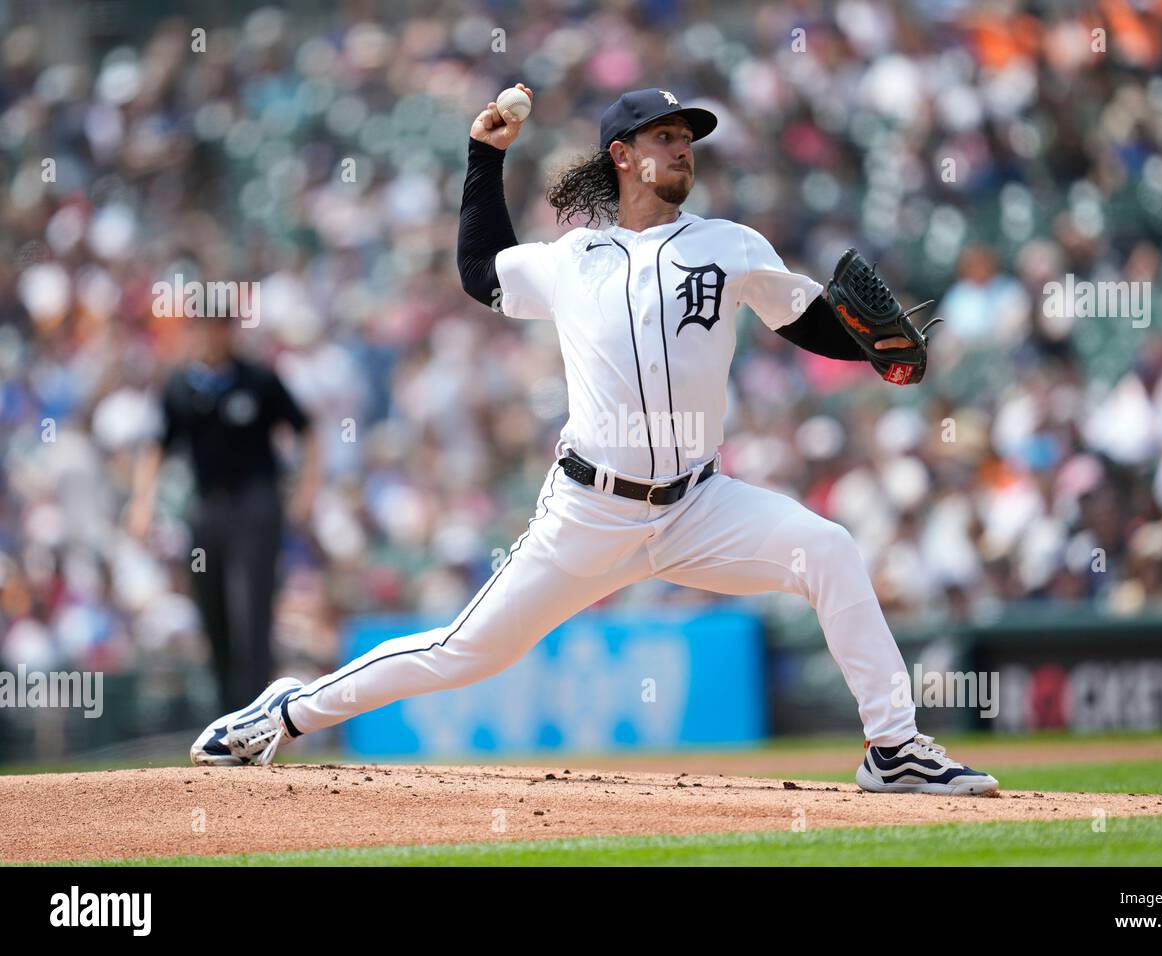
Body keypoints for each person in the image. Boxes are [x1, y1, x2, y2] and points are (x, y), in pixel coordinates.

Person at [189, 84, 997, 797]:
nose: (683, 149)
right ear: (623, 154)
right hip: (589, 510)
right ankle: (287, 711)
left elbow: (810, 317)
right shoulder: (573, 259)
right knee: (465, 652)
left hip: (699, 504)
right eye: (665, 138)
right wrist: (483, 156)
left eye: (689, 139)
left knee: (829, 550)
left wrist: (872, 352)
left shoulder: (730, 244)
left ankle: (893, 749)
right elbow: (480, 272)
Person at [128, 312, 319, 714]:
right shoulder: (180, 386)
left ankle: (258, 718)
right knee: (211, 611)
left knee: (252, 613)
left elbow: (306, 430)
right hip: (206, 509)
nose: (212, 334)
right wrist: (143, 501)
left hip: (256, 505)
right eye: (204, 326)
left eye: (219, 326)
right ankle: (224, 716)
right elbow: (156, 445)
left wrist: (305, 492)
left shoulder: (258, 379)